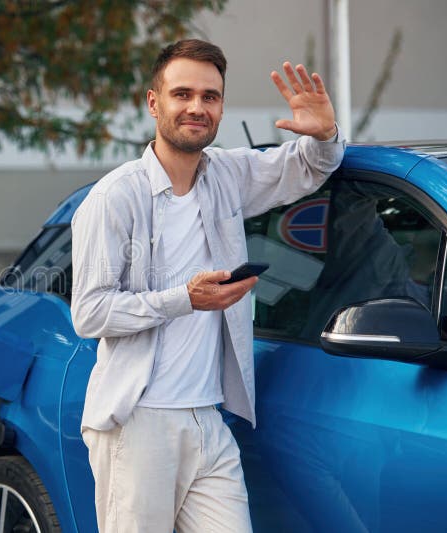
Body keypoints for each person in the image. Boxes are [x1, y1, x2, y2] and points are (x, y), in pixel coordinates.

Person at [70, 39, 345, 533]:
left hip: (208, 420)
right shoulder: (114, 197)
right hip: (139, 423)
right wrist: (183, 300)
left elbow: (307, 168)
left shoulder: (226, 174)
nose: (197, 107)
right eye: (183, 94)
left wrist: (324, 134)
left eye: (210, 96)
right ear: (154, 103)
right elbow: (89, 313)